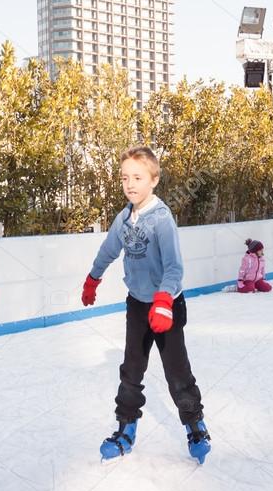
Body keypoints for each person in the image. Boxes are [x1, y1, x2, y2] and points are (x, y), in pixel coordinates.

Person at [81, 146, 211, 464]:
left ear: (153, 180)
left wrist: (165, 299)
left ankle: (196, 425)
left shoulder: (162, 219)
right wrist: (93, 278)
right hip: (138, 306)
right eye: (125, 177)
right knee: (131, 370)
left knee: (177, 373)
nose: (130, 184)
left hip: (167, 306)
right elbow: (109, 249)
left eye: (137, 177)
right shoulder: (124, 218)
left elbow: (174, 268)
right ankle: (126, 428)